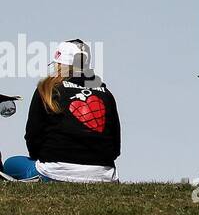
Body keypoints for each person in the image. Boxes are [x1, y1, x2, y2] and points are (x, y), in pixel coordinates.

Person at [1, 40, 121, 183]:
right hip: (104, 176)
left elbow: (33, 138)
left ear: (59, 64)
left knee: (11, 164)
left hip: (55, 172)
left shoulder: (47, 89)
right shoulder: (106, 94)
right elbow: (115, 147)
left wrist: (47, 158)